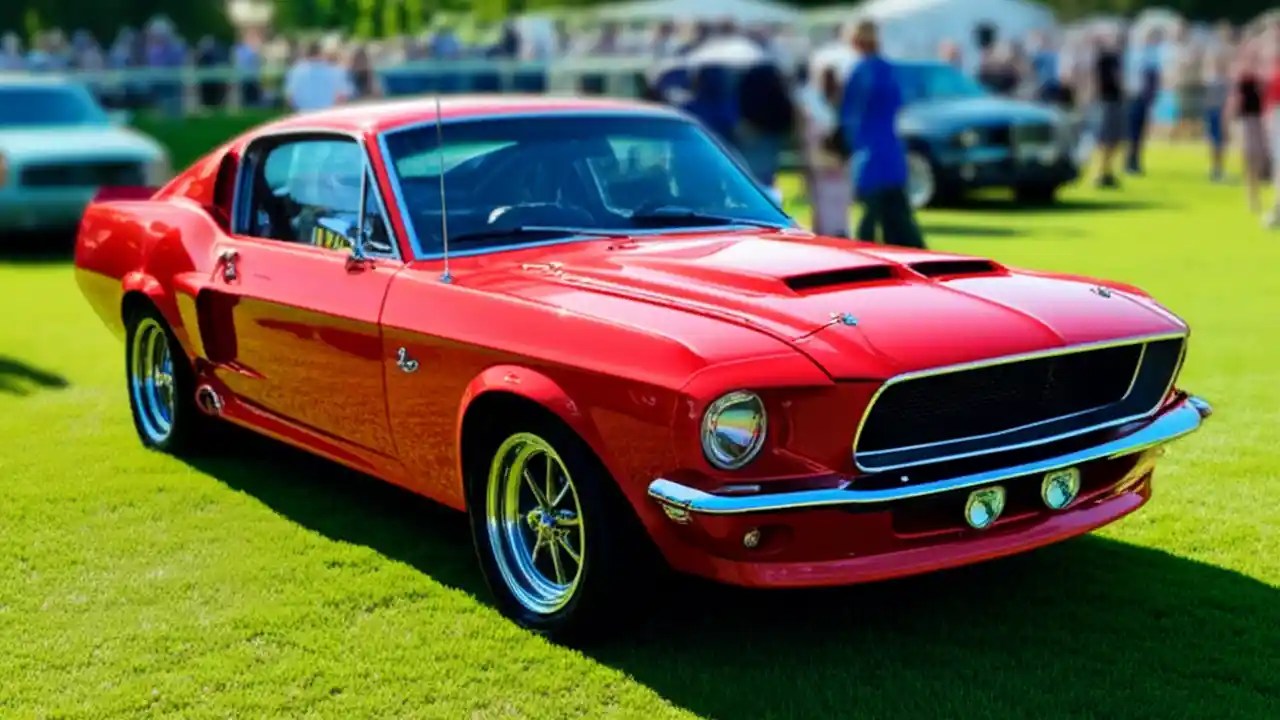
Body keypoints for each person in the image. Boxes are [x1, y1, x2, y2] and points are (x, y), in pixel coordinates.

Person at [840, 20, 924, 249]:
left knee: (868, 218)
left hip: (868, 151)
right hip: (891, 150)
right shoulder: (889, 70)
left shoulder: (859, 71)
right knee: (898, 219)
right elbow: (899, 103)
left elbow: (849, 114)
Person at [797, 60, 852, 237]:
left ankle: (825, 232)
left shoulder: (811, 106)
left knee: (821, 201)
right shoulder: (842, 106)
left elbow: (805, 135)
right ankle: (838, 230)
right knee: (838, 202)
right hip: (838, 161)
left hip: (819, 160)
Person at [736, 61, 794, 188]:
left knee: (751, 176)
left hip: (754, 133)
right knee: (764, 177)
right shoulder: (773, 77)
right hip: (770, 134)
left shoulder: (749, 78)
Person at [1226, 46, 1267, 215]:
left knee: (1259, 158)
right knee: (1249, 157)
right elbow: (1235, 100)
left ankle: (1256, 193)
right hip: (1245, 121)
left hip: (1259, 120)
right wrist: (1229, 120)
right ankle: (1251, 196)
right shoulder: (1242, 78)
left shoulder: (1261, 77)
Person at [1090, 30, 1126, 189]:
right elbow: (1095, 80)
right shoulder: (1103, 59)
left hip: (1116, 100)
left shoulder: (1118, 58)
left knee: (1115, 140)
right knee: (1104, 138)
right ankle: (1099, 172)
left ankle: (1108, 171)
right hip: (1105, 100)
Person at [1202, 23, 1237, 182]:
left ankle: (1218, 168)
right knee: (1215, 139)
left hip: (1221, 107)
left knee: (1220, 139)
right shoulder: (1211, 77)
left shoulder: (1225, 77)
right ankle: (1216, 168)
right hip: (1213, 107)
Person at [284, 40, 353, 112]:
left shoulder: (296, 71)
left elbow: (290, 98)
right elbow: (342, 97)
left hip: (303, 113)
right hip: (328, 113)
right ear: (322, 53)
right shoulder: (336, 71)